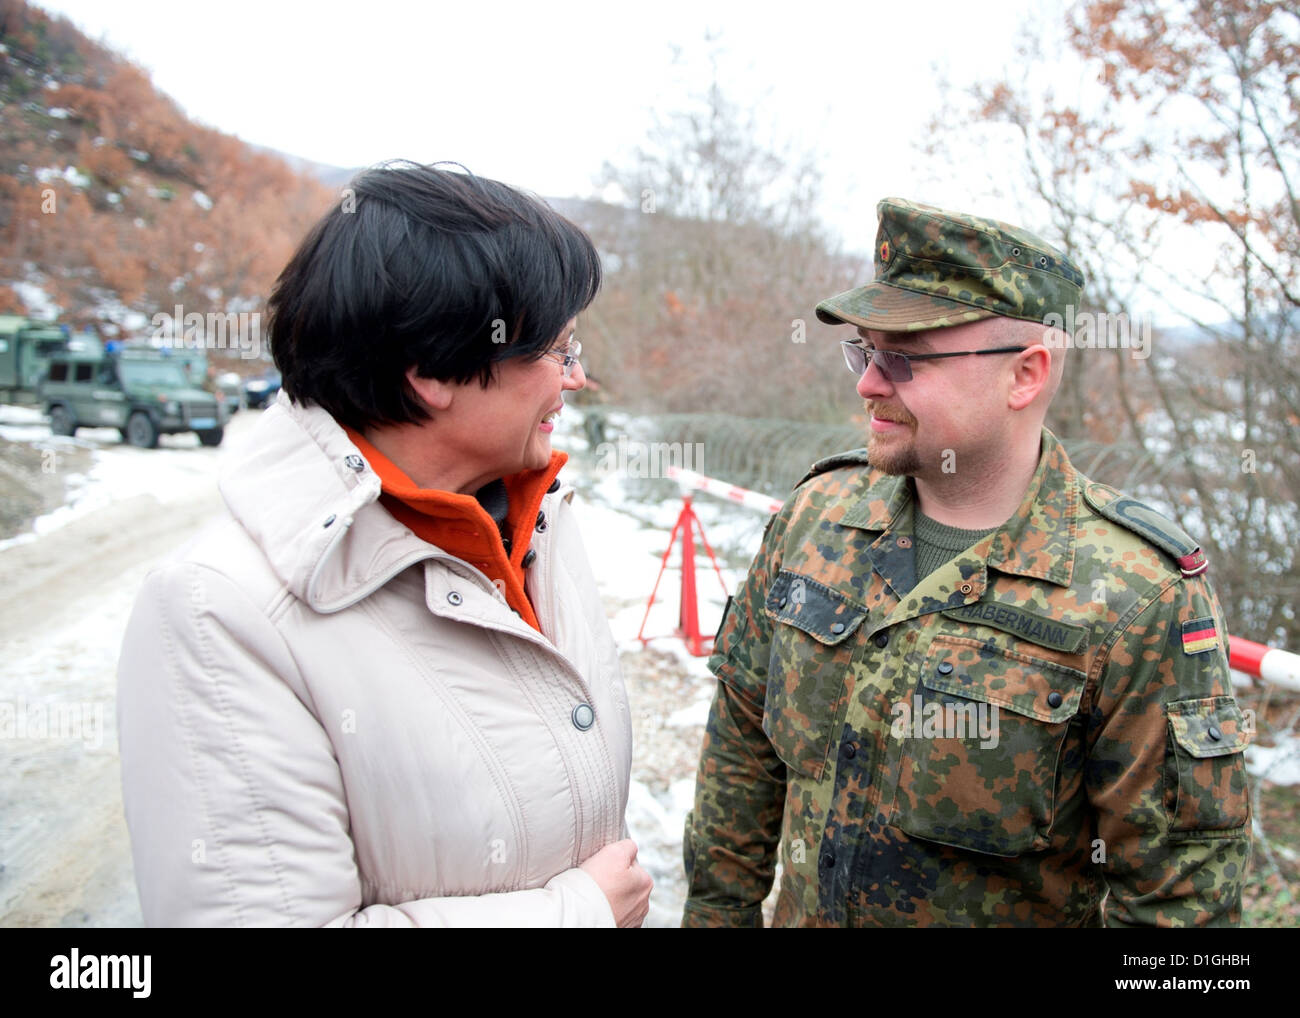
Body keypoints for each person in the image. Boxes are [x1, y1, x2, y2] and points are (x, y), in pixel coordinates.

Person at [681, 197, 1251, 927]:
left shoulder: (1137, 595)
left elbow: (1179, 909)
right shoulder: (815, 521)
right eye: (864, 350)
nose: (867, 383)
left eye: (905, 358)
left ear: (1025, 375)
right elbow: (743, 754)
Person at [117, 163, 652, 927]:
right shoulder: (216, 614)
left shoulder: (535, 524)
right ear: (433, 368)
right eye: (556, 351)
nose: (575, 379)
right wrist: (576, 914)